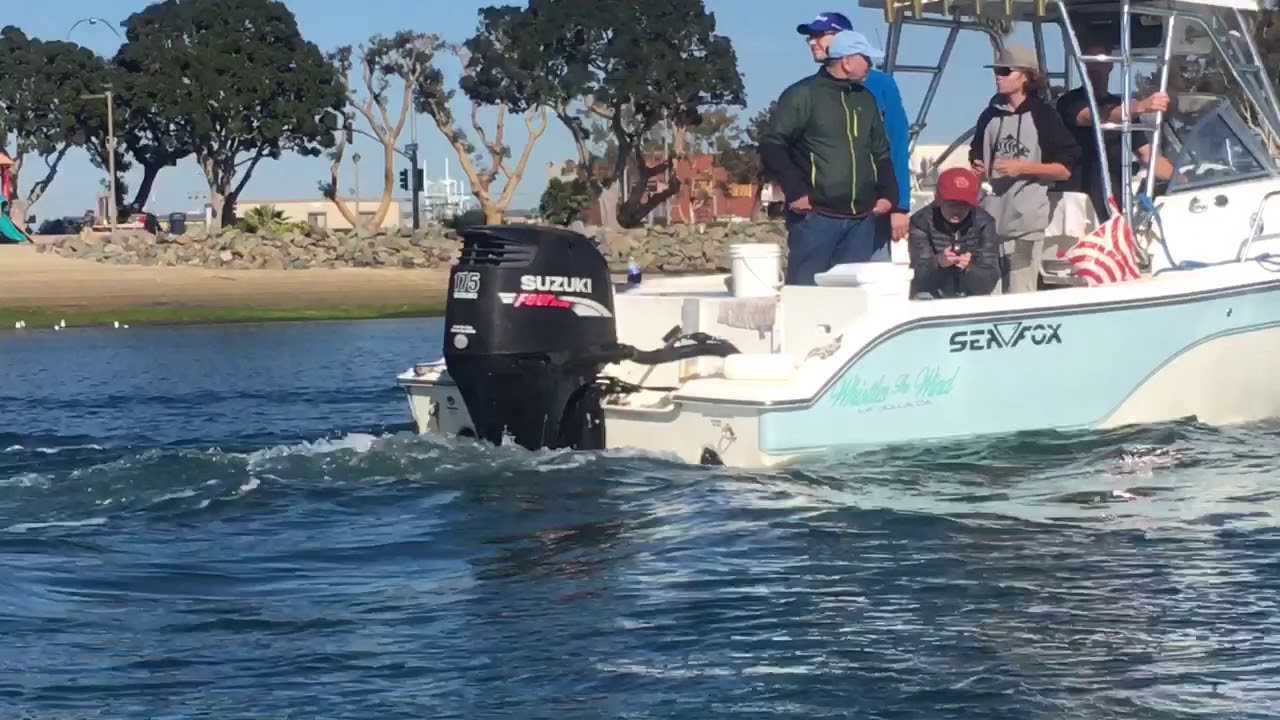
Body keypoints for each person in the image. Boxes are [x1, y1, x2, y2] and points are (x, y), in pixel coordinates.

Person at [760, 30, 901, 286]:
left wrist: (889, 194)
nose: (871, 64)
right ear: (846, 61)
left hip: (861, 220)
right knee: (806, 294)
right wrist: (796, 191)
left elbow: (880, 151)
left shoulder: (866, 99)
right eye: (866, 58)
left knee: (850, 298)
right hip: (816, 217)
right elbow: (773, 144)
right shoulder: (802, 94)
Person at [795, 11, 912, 255]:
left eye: (820, 35)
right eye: (810, 37)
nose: (812, 42)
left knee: (868, 283)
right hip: (822, 214)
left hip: (874, 208)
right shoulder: (807, 91)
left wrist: (900, 205)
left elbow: (897, 144)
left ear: (843, 39)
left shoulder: (882, 84)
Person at [969, 45, 1080, 294]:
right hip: (988, 223)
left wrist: (1023, 168)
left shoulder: (1045, 116)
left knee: (1020, 291)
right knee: (988, 294)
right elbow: (976, 159)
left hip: (1025, 224)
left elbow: (1064, 170)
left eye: (1005, 71)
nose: (998, 76)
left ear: (1025, 77)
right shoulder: (988, 115)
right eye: (997, 70)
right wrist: (977, 171)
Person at [1057, 37, 1175, 218]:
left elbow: (1147, 156)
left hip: (1113, 206)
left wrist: (1182, 180)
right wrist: (1140, 106)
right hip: (1077, 208)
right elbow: (1093, 117)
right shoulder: (1070, 102)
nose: (1094, 67)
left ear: (1110, 64)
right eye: (1089, 61)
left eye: (1099, 60)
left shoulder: (1122, 108)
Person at [908, 167, 1001, 298]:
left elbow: (989, 280)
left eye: (964, 205)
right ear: (939, 200)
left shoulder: (984, 223)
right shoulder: (921, 222)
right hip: (932, 294)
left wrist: (970, 268)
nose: (957, 210)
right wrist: (938, 262)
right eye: (951, 204)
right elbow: (918, 277)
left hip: (971, 295)